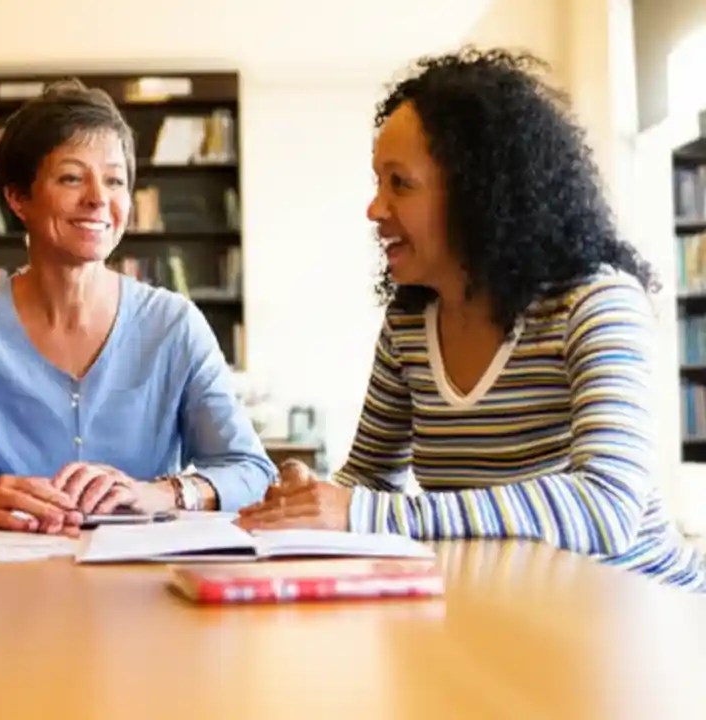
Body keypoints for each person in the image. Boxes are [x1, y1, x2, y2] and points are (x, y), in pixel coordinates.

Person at [237, 48, 706, 592]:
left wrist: (359, 510)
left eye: (400, 184)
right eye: (377, 182)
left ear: (477, 193)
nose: (374, 209)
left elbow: (605, 507)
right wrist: (310, 497)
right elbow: (368, 480)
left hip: (646, 617)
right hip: (512, 613)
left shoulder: (596, 303)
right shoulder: (410, 325)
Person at [0, 80, 275, 534]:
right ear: (17, 197)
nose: (98, 198)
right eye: (71, 177)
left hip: (146, 584)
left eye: (114, 180)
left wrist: (161, 493)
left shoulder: (174, 323)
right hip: (12, 578)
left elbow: (253, 472)